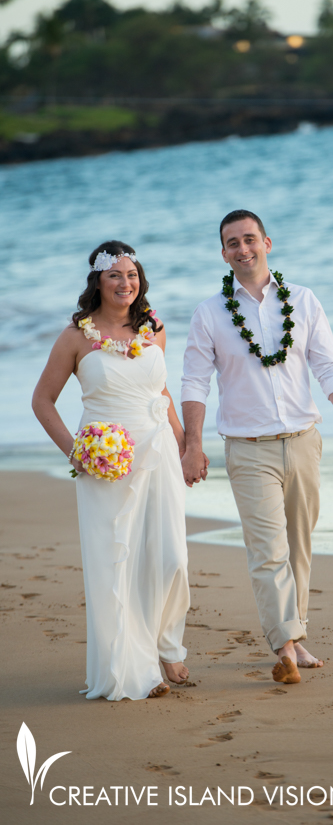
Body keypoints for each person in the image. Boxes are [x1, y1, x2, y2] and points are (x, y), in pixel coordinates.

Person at [181, 210, 333, 684]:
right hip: (247, 448)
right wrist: (192, 445)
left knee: (299, 544)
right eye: (232, 243)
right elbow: (195, 383)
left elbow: (328, 366)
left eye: (249, 239)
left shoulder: (303, 301)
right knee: (267, 550)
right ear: (223, 254)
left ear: (267, 242)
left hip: (303, 441)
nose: (243, 249)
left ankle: (295, 636)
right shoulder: (209, 313)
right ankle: (284, 644)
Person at [32, 241, 191, 700]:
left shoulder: (154, 327)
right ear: (97, 282)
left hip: (158, 451)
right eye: (115, 275)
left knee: (170, 557)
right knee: (115, 563)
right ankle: (135, 670)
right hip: (107, 460)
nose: (126, 283)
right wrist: (76, 453)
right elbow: (42, 401)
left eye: (132, 274)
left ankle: (166, 645)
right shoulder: (75, 337)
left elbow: (162, 393)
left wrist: (185, 446)